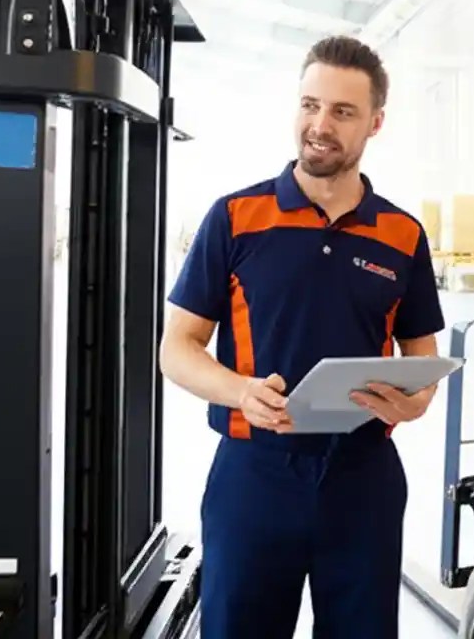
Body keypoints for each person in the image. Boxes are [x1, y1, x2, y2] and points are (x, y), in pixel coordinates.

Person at [158, 35, 446, 639]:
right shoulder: (235, 218)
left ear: (374, 123)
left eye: (342, 112)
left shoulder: (402, 235)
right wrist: (240, 392)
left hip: (362, 479)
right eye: (310, 105)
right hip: (254, 478)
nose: (320, 125)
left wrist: (414, 402)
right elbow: (177, 348)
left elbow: (422, 359)